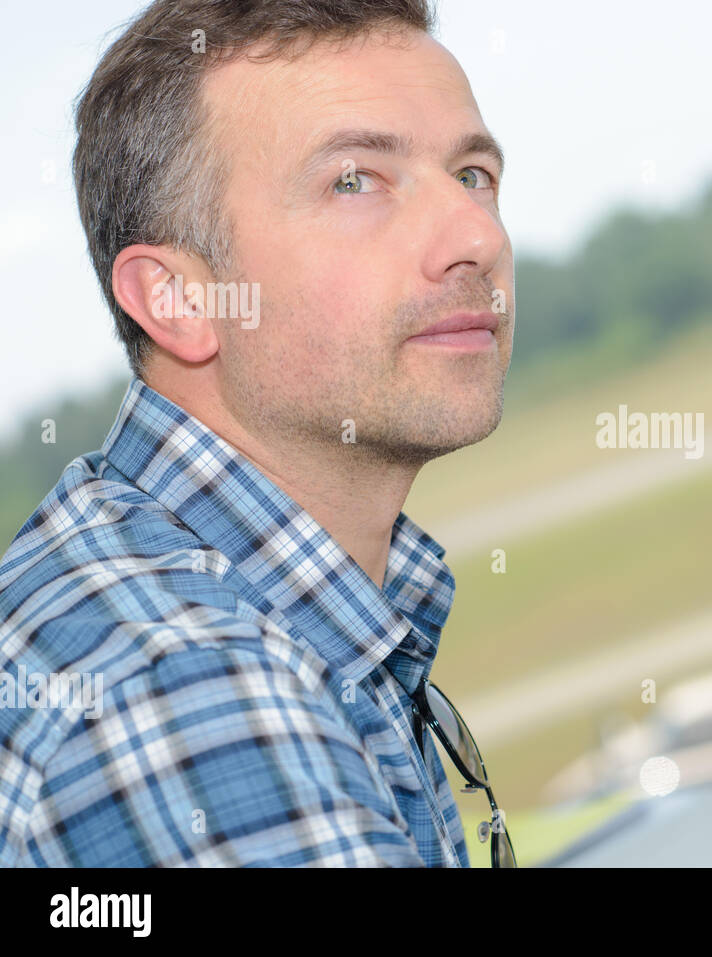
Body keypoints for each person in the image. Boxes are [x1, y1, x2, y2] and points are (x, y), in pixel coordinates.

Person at [0, 0, 513, 866]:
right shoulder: (185, 686)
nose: (476, 236)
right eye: (355, 180)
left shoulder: (226, 602)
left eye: (471, 174)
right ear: (177, 299)